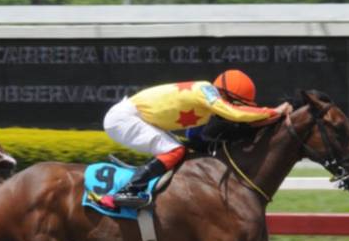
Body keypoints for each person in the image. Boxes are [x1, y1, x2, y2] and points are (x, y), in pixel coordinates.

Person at [101, 69, 292, 208]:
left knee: (181, 150)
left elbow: (195, 138)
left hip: (135, 118)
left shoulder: (204, 105)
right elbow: (233, 113)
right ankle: (126, 191)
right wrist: (272, 112)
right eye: (237, 103)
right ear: (225, 94)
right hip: (123, 119)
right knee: (175, 150)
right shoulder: (206, 92)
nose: (237, 106)